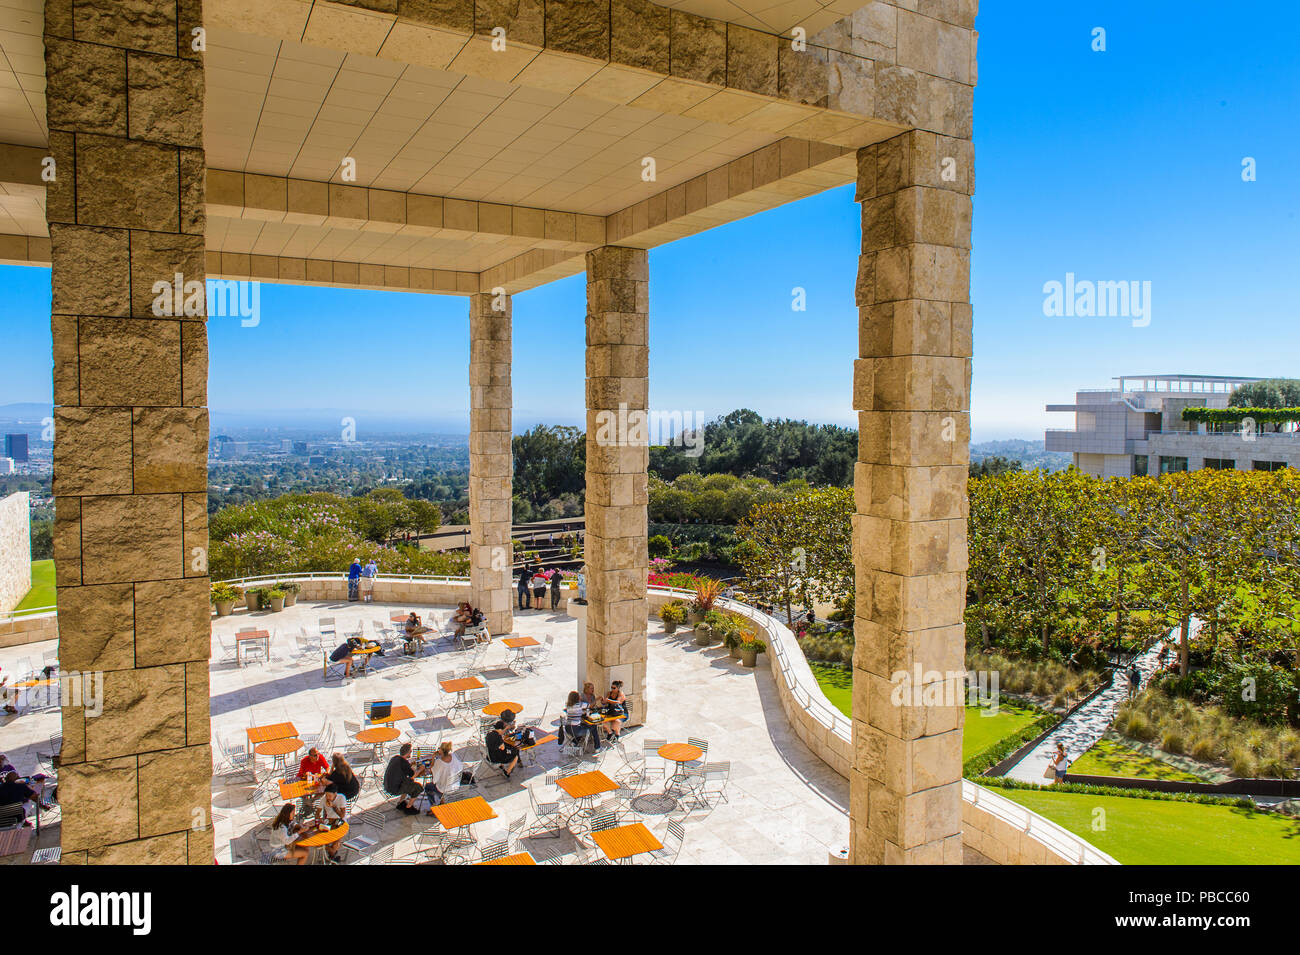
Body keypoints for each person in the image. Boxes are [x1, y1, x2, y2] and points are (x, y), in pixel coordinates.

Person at [384, 743, 436, 815]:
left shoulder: (395, 758)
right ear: (408, 753)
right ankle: (408, 807)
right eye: (410, 752)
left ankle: (401, 802)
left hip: (387, 785)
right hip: (395, 789)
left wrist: (410, 767)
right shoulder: (404, 763)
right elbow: (412, 776)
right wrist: (420, 769)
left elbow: (403, 770)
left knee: (408, 783)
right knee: (418, 787)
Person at [318, 754, 360, 822]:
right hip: (355, 790)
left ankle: (329, 816)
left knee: (329, 794)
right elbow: (333, 778)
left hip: (347, 793)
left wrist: (323, 777)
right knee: (331, 791)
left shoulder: (338, 772)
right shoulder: (346, 767)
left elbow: (326, 782)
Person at [426, 741, 463, 808]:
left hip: (444, 789)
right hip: (455, 785)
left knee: (428, 787)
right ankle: (442, 801)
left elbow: (432, 771)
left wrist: (433, 758)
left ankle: (433, 805)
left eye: (439, 748)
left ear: (442, 751)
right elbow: (460, 766)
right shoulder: (454, 756)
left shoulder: (439, 762)